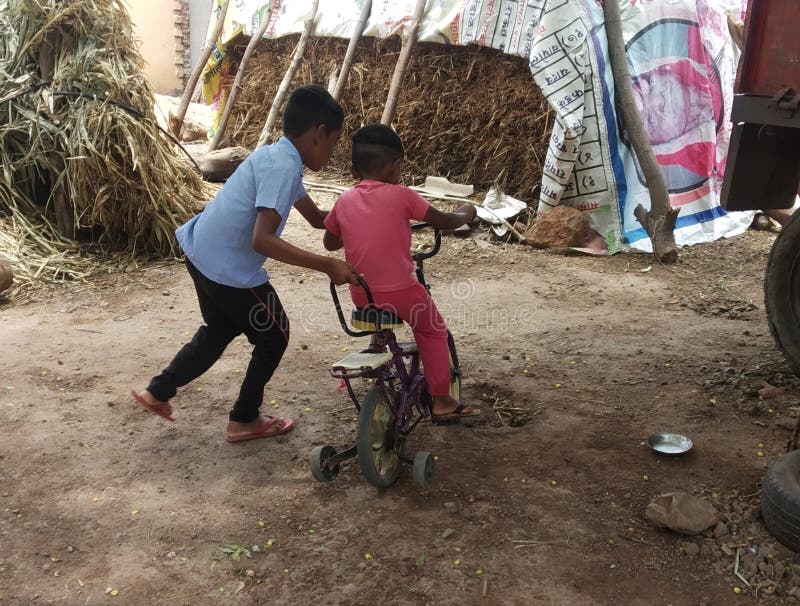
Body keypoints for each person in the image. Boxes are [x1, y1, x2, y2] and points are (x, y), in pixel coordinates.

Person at [132, 85, 357, 442]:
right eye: (334, 141)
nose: (332, 151)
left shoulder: (277, 157)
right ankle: (244, 418)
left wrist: (353, 220)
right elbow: (263, 240)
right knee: (275, 334)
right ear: (318, 133)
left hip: (201, 252)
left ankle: (157, 390)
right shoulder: (284, 169)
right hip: (228, 269)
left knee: (219, 329)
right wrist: (327, 264)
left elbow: (317, 220)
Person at [323, 124, 479, 424]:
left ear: (355, 172)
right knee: (433, 330)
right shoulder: (403, 196)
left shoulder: (343, 200)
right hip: (403, 293)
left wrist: (350, 229)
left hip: (361, 295)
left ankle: (378, 342)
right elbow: (445, 221)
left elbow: (330, 242)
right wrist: (466, 212)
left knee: (377, 298)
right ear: (396, 167)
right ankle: (443, 401)